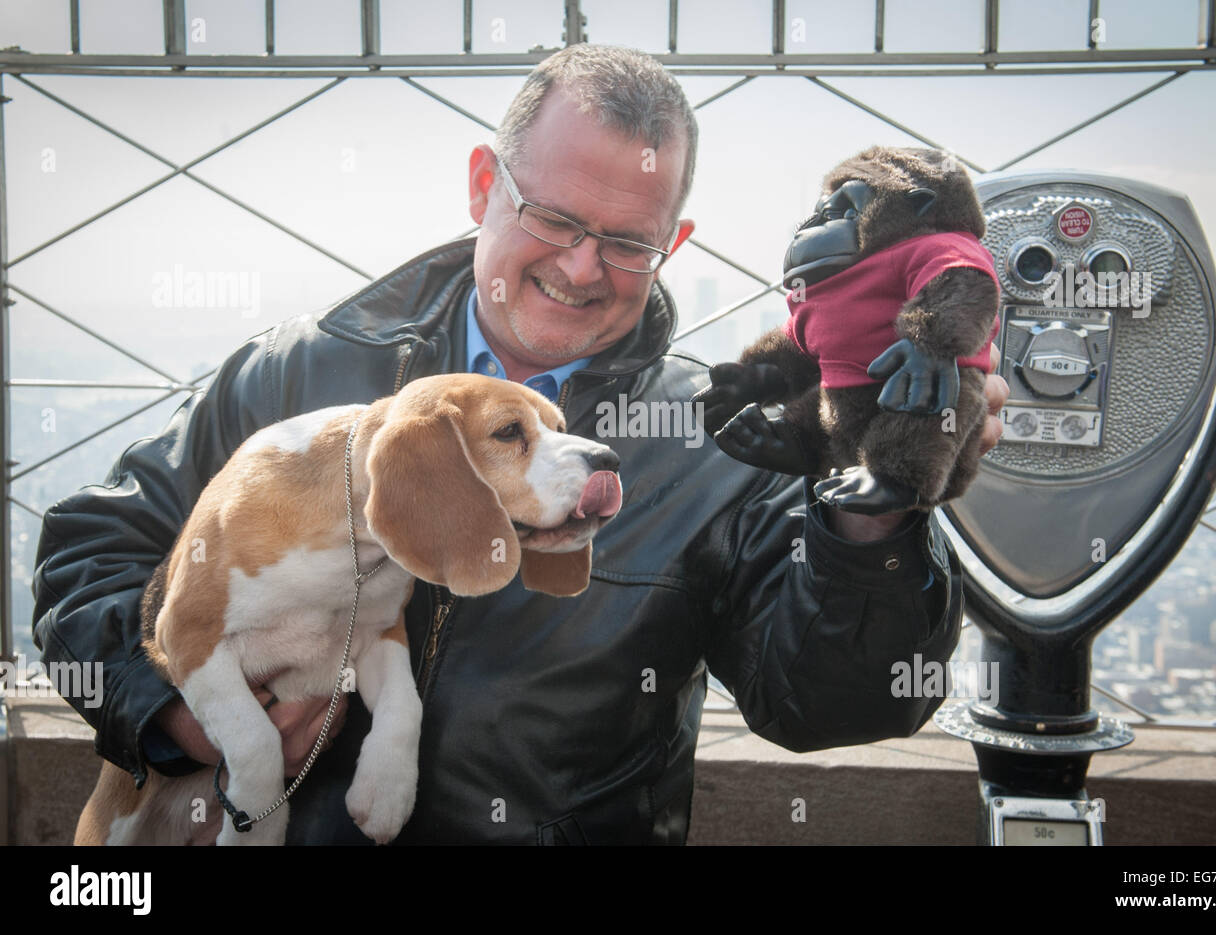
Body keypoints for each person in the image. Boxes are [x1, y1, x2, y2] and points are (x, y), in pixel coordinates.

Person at [33, 45, 1008, 844]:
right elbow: (92, 555)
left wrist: (871, 502)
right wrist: (176, 716)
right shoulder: (294, 377)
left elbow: (832, 701)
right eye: (553, 218)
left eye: (629, 241)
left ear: (676, 238)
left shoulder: (720, 441)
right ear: (482, 184)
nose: (582, 268)